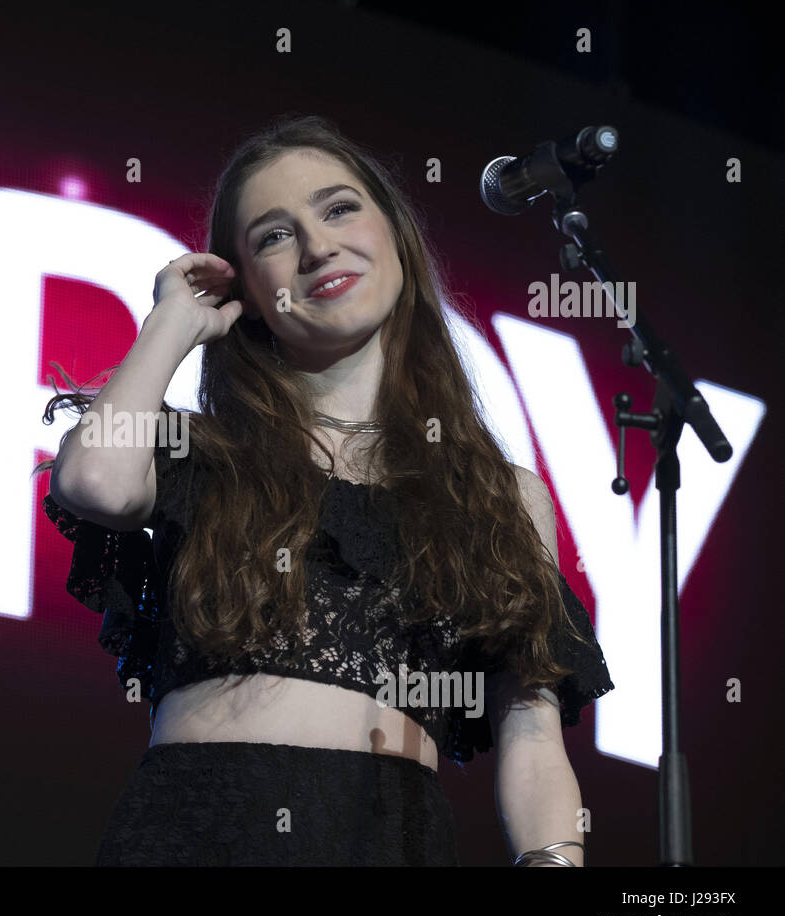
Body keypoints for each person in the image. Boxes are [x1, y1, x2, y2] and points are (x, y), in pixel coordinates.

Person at [35, 113, 614, 866]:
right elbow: (93, 483)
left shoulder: (497, 498)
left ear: (395, 234)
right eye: (273, 236)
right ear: (244, 285)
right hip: (198, 833)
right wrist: (171, 322)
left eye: (339, 209)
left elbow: (531, 729)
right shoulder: (203, 454)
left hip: (392, 840)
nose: (316, 246)